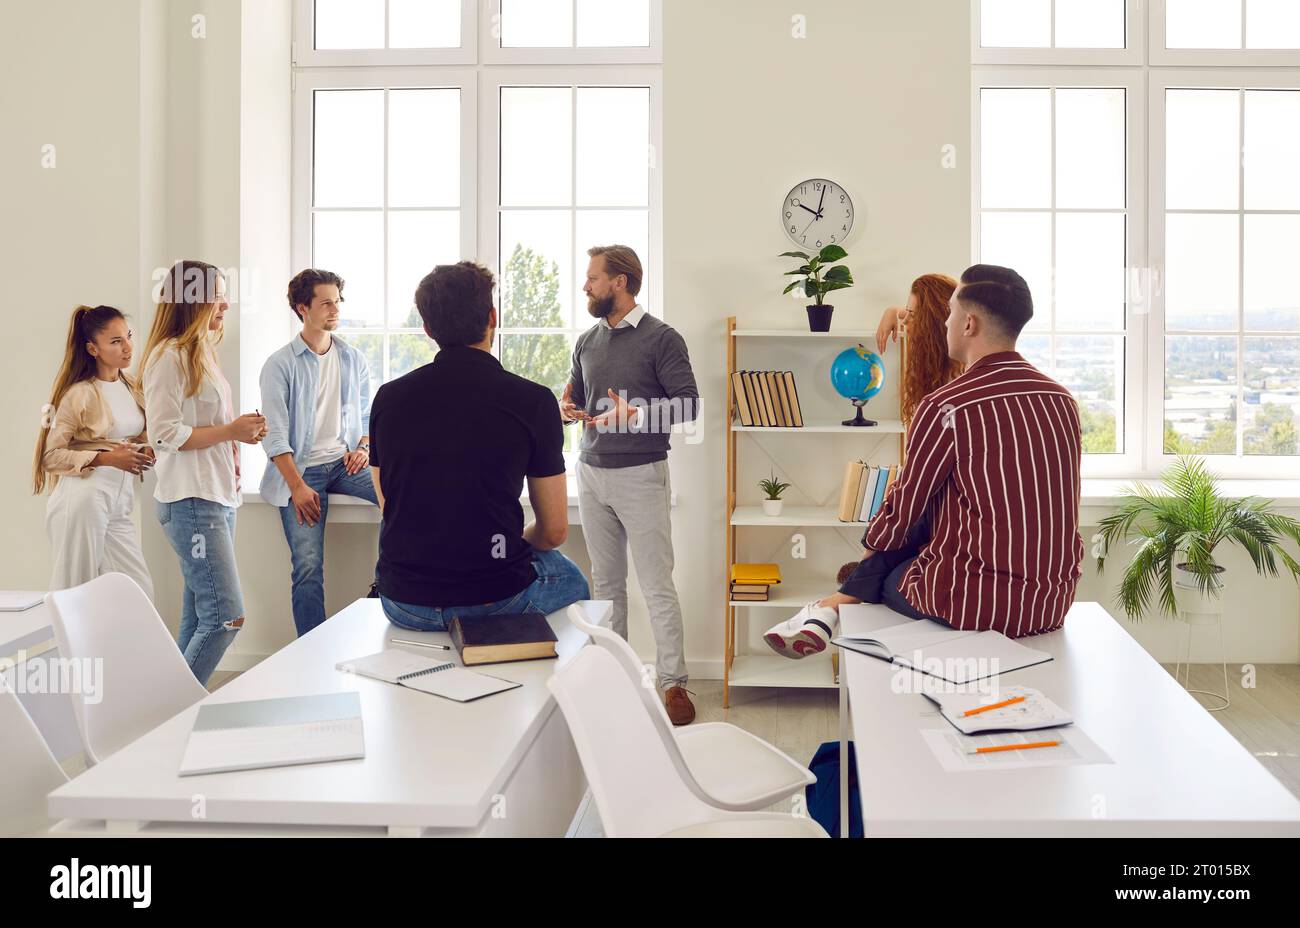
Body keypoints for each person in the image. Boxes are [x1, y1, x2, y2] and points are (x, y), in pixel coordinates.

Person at [765, 264, 1083, 656]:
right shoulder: (1061, 400)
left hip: (972, 605)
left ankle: (830, 606)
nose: (943, 323)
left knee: (887, 567)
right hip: (1049, 604)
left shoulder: (947, 405)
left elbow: (904, 507)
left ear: (968, 324)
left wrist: (868, 559)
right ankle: (830, 605)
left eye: (949, 314)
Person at [370, 261, 589, 634]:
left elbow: (389, 505)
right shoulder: (533, 401)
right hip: (494, 598)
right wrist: (509, 541)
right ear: (493, 317)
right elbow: (553, 533)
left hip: (402, 603)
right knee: (573, 580)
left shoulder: (388, 398)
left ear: (427, 329)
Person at [560, 245, 701, 726]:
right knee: (606, 586)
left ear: (620, 281)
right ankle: (613, 681)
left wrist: (636, 414)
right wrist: (568, 405)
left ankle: (674, 684)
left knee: (657, 584)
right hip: (591, 470)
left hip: (641, 474)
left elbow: (688, 406)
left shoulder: (662, 338)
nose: (586, 286)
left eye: (593, 278)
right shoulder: (586, 341)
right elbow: (576, 392)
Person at [143, 260, 266, 686]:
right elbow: (162, 434)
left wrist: (239, 431)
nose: (226, 304)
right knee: (225, 617)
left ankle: (164, 716)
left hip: (216, 498)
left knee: (199, 615)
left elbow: (206, 427)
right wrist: (230, 430)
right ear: (191, 299)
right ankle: (170, 714)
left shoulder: (201, 354)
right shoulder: (168, 358)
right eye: (218, 295)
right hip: (193, 503)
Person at [260, 269, 379, 637]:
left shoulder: (352, 358)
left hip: (344, 464)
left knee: (402, 495)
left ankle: (384, 588)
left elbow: (365, 414)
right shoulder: (280, 364)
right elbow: (275, 434)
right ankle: (311, 649)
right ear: (302, 309)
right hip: (300, 471)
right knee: (308, 567)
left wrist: (362, 446)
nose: (335, 309)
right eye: (326, 302)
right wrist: (296, 485)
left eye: (337, 301)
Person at [35, 305, 155, 599]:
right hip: (83, 499)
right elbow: (49, 456)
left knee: (138, 592)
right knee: (75, 595)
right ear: (92, 348)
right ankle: (60, 647)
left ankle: (112, 647)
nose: (127, 347)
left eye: (128, 337)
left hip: (119, 501)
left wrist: (145, 448)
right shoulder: (78, 394)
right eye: (116, 342)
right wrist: (106, 458)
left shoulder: (132, 387)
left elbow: (134, 433)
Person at [875, 273, 965, 425]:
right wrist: (892, 311)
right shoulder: (933, 355)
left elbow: (948, 432)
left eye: (912, 314)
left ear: (934, 322)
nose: (904, 322)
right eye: (906, 311)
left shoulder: (960, 374)